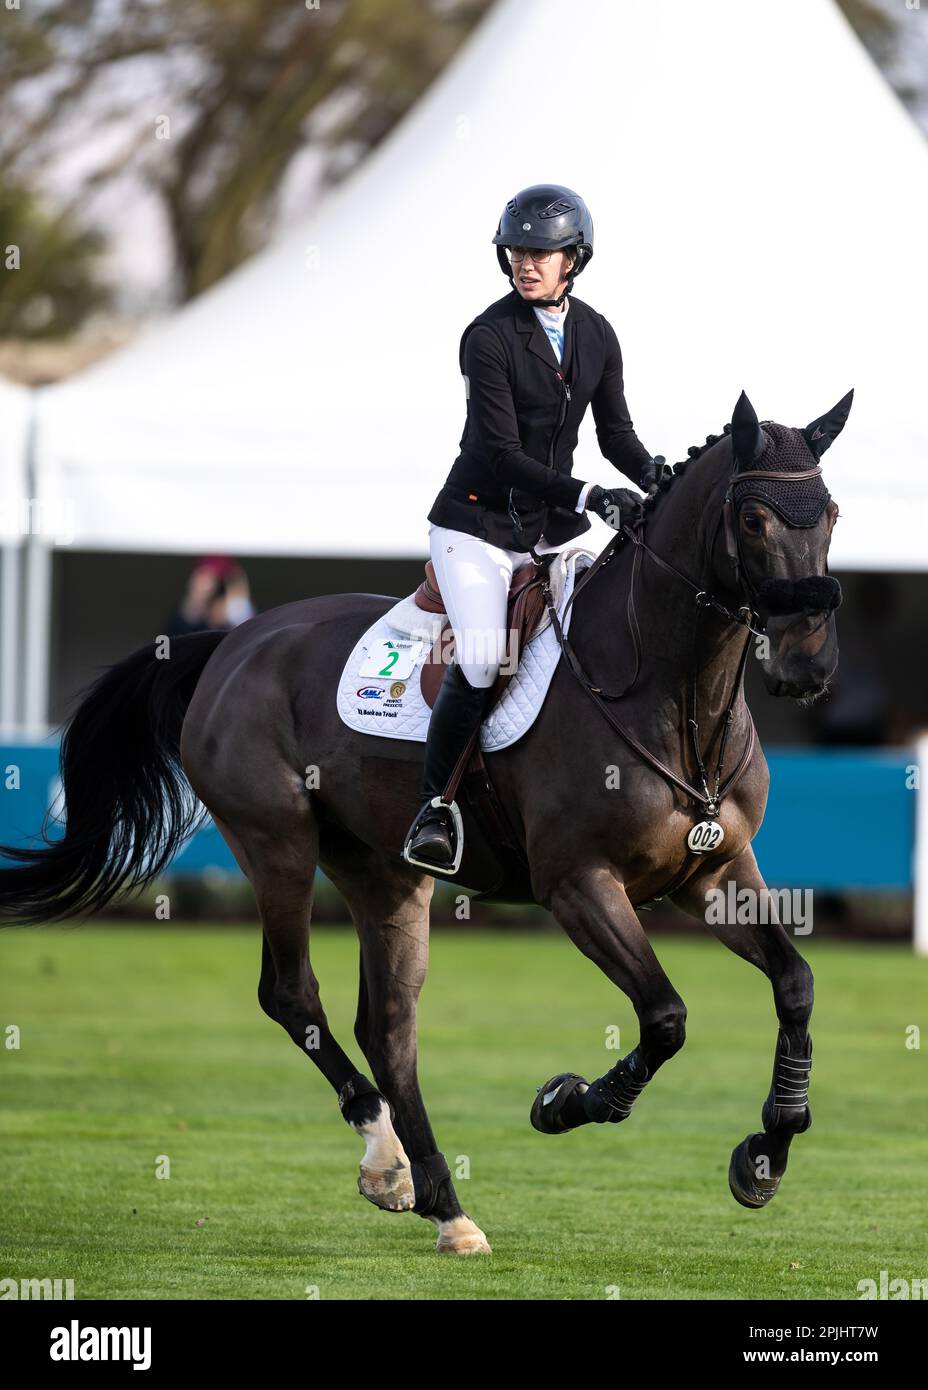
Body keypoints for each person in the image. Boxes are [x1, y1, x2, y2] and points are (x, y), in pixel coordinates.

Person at [402, 183, 668, 873]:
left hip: (549, 531)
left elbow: (616, 435)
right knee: (487, 654)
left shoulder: (597, 334)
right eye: (518, 250)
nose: (527, 262)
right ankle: (435, 808)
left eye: (542, 252)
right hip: (475, 527)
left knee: (601, 633)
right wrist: (588, 494)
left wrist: (657, 478)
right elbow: (501, 452)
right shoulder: (487, 337)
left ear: (573, 259)